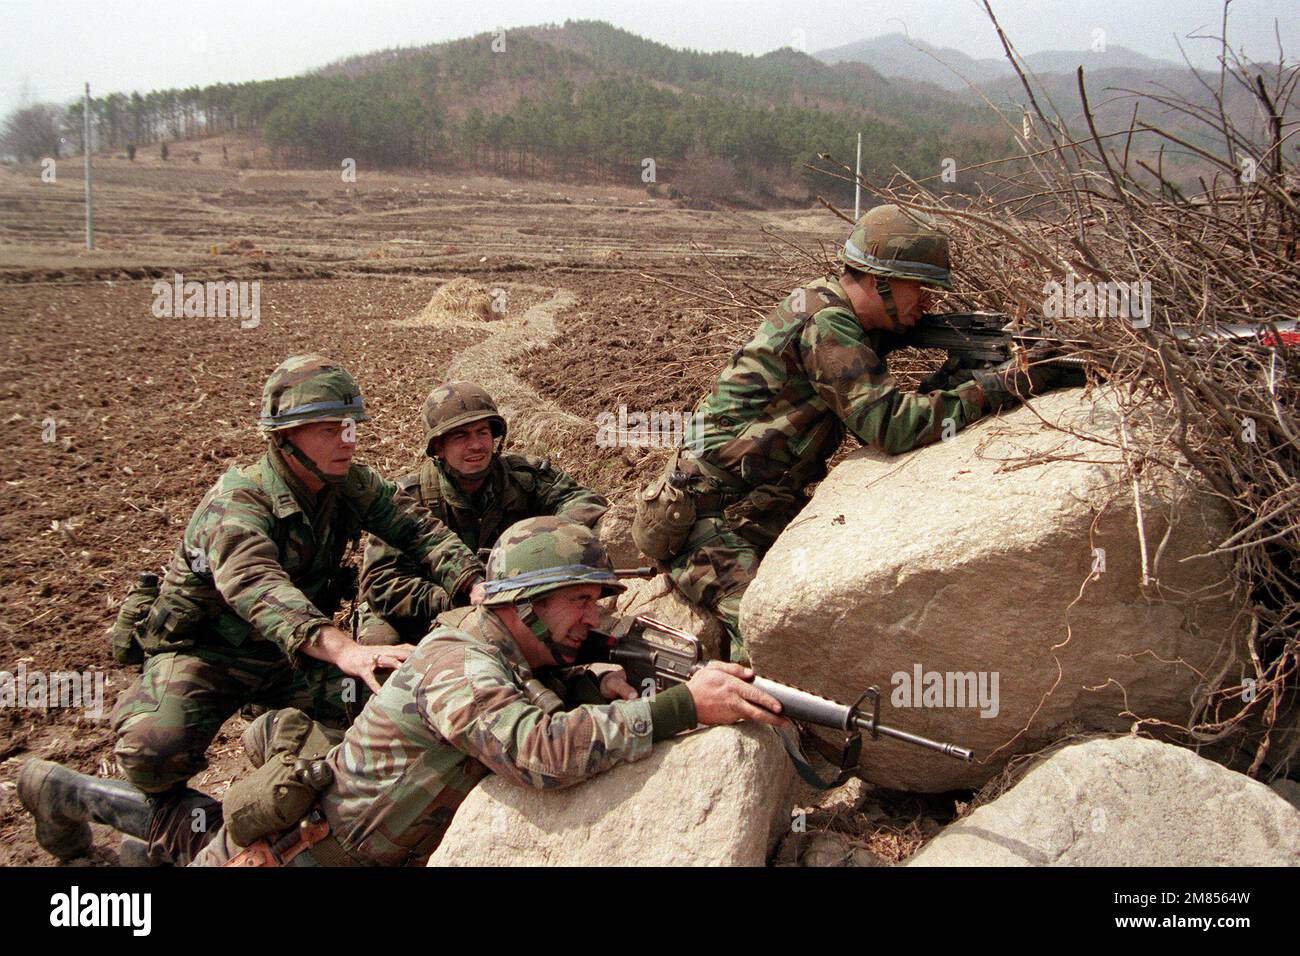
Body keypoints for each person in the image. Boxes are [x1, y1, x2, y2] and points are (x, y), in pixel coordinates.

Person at [27, 517, 789, 867]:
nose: (596, 618)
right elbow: (541, 751)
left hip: (348, 840)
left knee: (183, 837)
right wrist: (683, 706)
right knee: (171, 861)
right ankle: (56, 790)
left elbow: (540, 694)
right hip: (299, 857)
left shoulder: (512, 651)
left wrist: (592, 678)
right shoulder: (461, 662)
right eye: (580, 603)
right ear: (520, 605)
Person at [19, 354, 485, 865]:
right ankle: (71, 795)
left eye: (351, 426)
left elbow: (415, 529)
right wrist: (343, 648)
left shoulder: (348, 484)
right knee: (153, 754)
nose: (348, 440)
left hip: (289, 657)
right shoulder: (237, 501)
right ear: (283, 439)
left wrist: (475, 584)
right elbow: (255, 583)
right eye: (330, 429)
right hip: (210, 653)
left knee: (375, 715)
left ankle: (198, 827)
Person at [631, 204, 1082, 661]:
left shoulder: (832, 306)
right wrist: (1000, 384)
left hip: (757, 506)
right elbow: (892, 426)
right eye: (919, 289)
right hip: (708, 524)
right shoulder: (827, 323)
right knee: (773, 646)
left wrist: (963, 372)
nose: (927, 303)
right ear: (877, 281)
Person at [356, 382, 608, 645]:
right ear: (438, 447)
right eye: (461, 436)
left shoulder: (521, 477)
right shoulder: (408, 499)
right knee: (381, 648)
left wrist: (539, 544)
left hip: (513, 600)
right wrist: (458, 596)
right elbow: (382, 583)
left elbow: (585, 502)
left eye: (482, 432)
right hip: (429, 610)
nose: (476, 445)